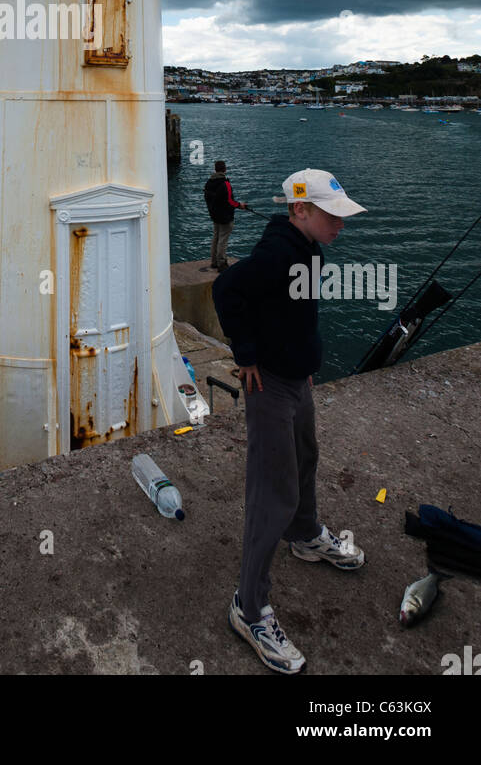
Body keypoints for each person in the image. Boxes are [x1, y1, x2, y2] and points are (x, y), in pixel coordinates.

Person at [213, 168, 368, 674]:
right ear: (300, 209)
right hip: (270, 387)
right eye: (332, 215)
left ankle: (304, 536)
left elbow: (289, 312)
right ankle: (249, 606)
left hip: (297, 379)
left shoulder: (308, 250)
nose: (340, 225)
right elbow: (227, 291)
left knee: (306, 459)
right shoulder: (277, 255)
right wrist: (247, 354)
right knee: (271, 492)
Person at [204, 160, 248, 271]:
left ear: (215, 169)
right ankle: (222, 263)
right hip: (225, 216)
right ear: (225, 169)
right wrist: (240, 205)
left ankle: (214, 262)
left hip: (214, 215)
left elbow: (208, 198)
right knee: (222, 240)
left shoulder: (209, 183)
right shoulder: (226, 184)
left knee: (216, 238)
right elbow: (230, 201)